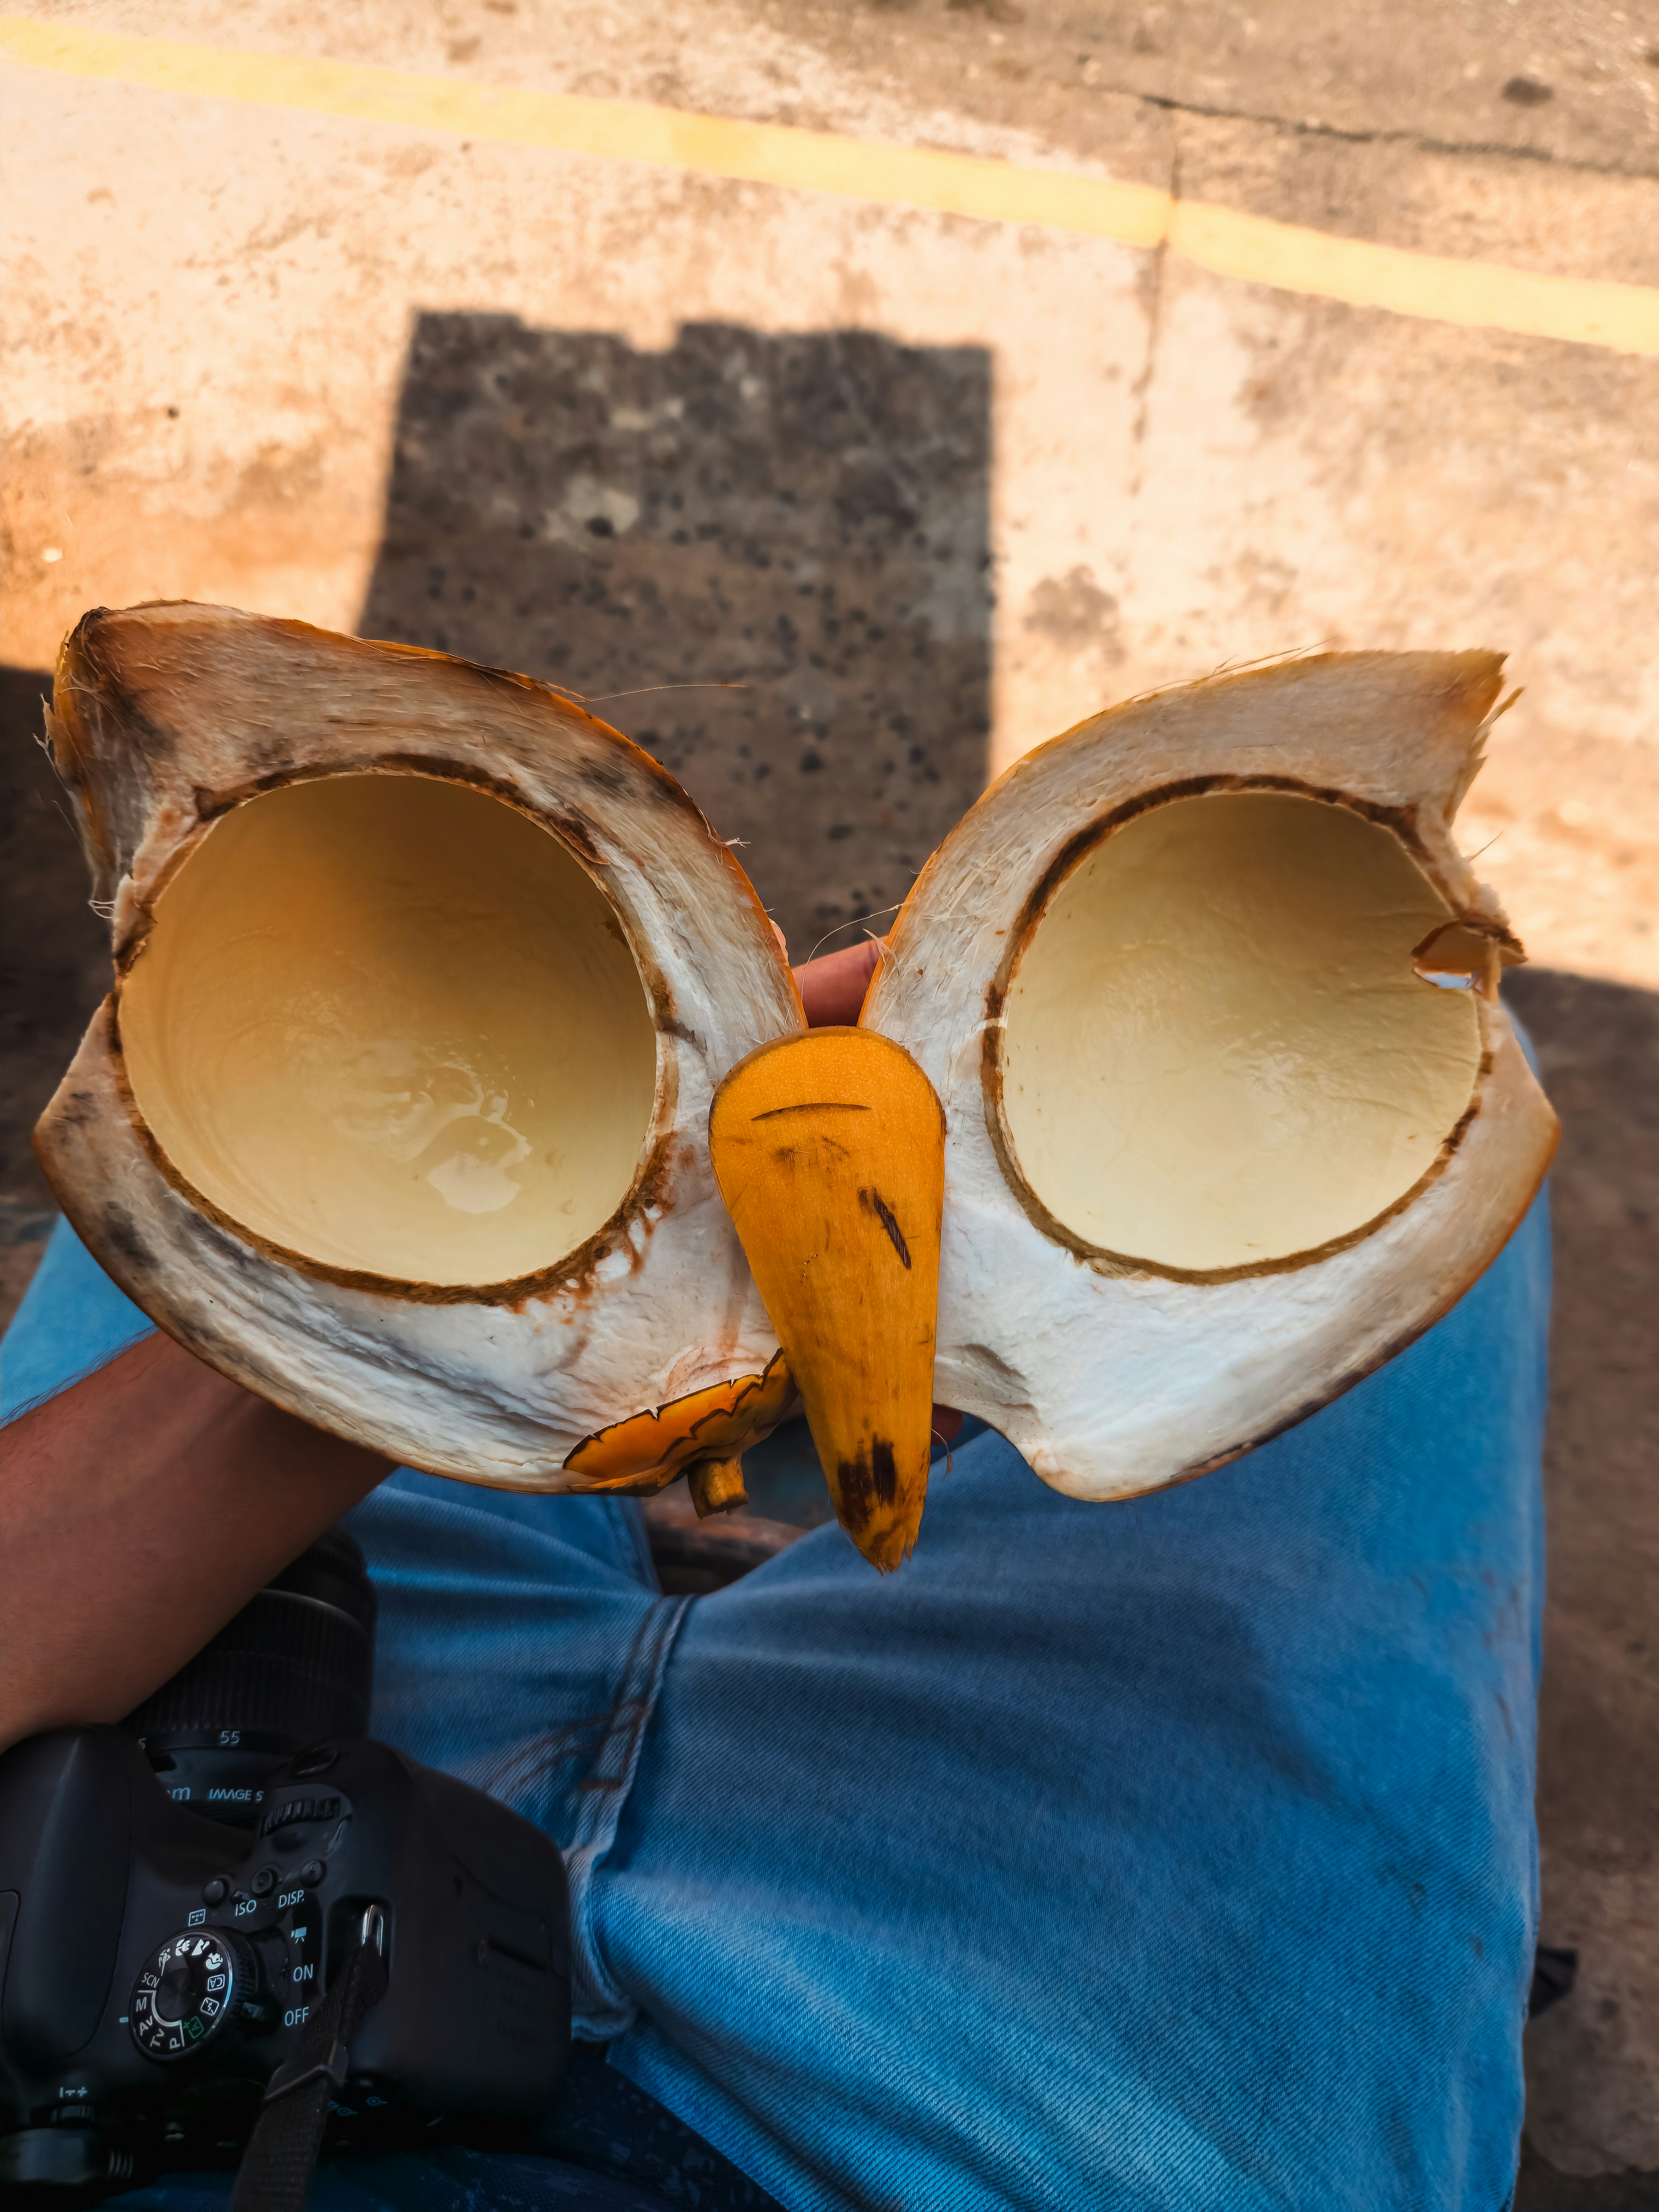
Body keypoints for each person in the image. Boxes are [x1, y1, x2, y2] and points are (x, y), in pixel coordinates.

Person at [1, 935, 1550, 2212]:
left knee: (243, 1023)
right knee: (1407, 1055)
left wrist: (397, 1334)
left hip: (116, 1908)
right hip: (960, 2128)